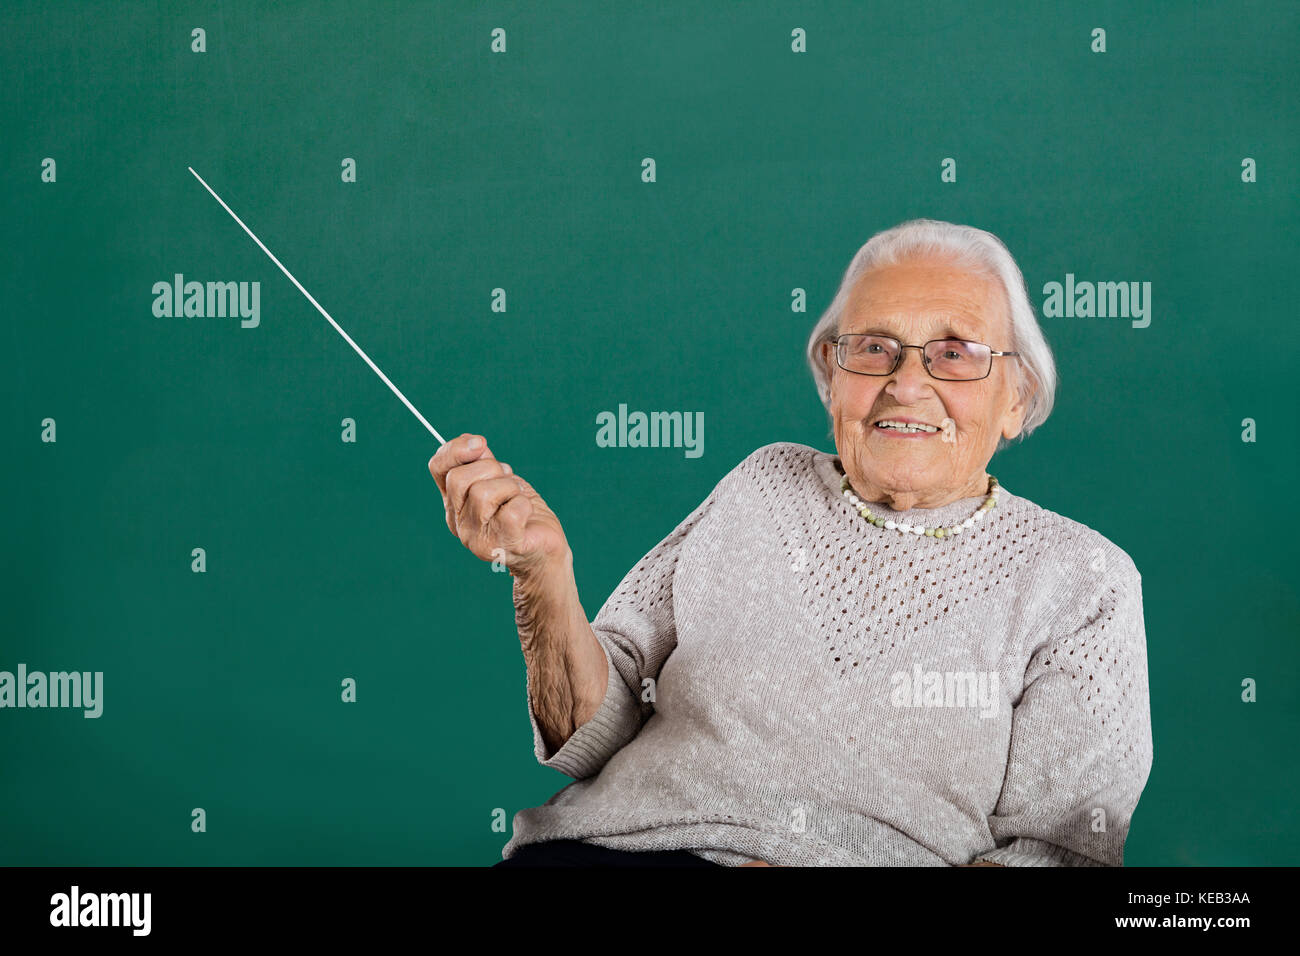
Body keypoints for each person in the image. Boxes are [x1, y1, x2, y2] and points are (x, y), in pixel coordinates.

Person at [429, 218, 1153, 867]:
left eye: (955, 353)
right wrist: (543, 577)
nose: (906, 384)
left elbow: (1061, 855)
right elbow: (591, 730)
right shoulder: (761, 484)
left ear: (1016, 396)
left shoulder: (1080, 577)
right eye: (874, 349)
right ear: (833, 379)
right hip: (606, 855)